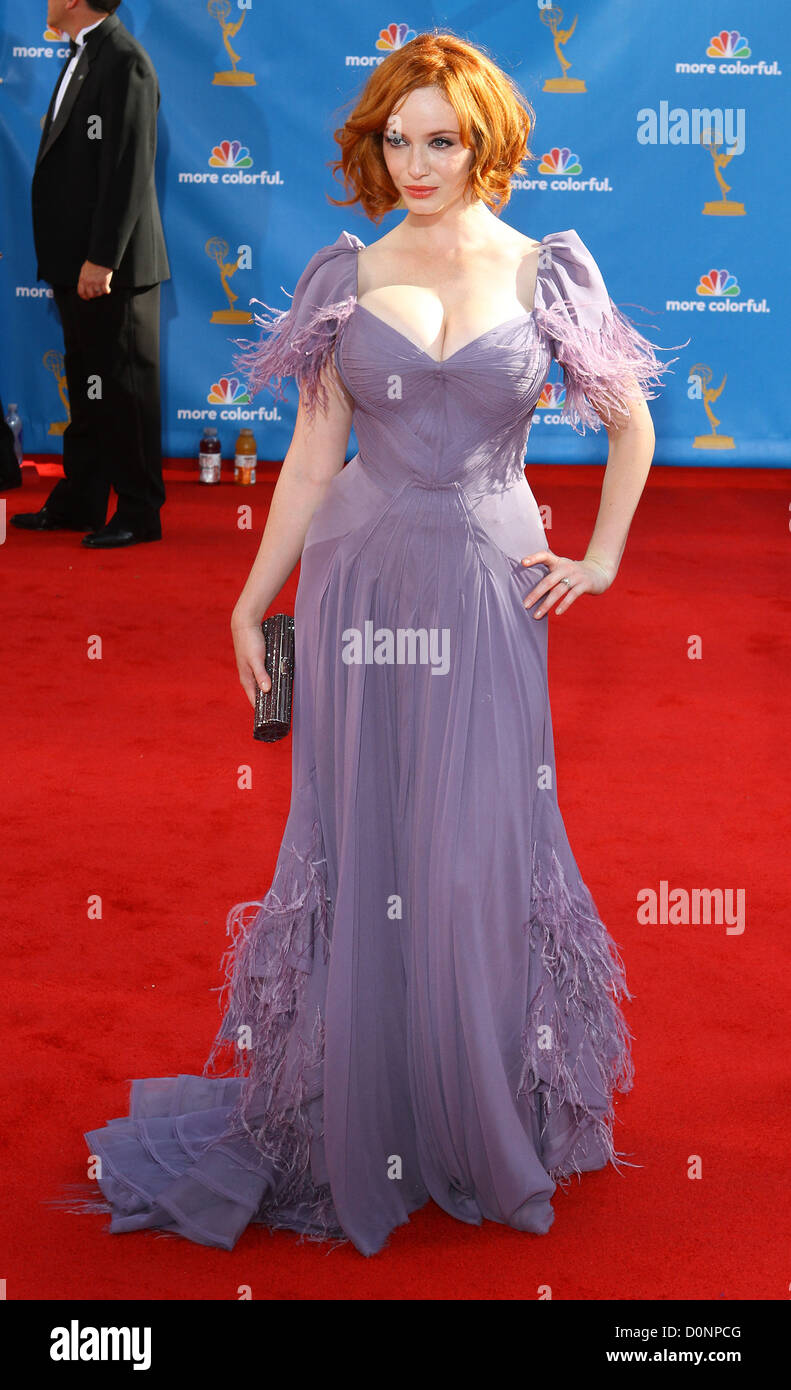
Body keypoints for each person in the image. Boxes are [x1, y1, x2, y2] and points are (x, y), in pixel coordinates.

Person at [60, 33, 680, 1255]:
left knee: (472, 853)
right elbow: (307, 457)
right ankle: (370, 1108)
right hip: (358, 585)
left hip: (490, 582)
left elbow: (632, 425)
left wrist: (599, 558)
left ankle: (476, 1113)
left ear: (486, 141)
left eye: (439, 139)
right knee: (369, 838)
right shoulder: (345, 272)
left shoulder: (544, 269)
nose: (415, 162)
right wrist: (250, 599)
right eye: (396, 139)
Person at [13, 0, 170, 548]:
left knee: (124, 392)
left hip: (111, 269)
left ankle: (138, 512)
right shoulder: (85, 54)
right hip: (75, 264)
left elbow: (128, 168)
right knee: (89, 388)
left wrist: (102, 259)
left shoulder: (125, 60)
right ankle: (81, 499)